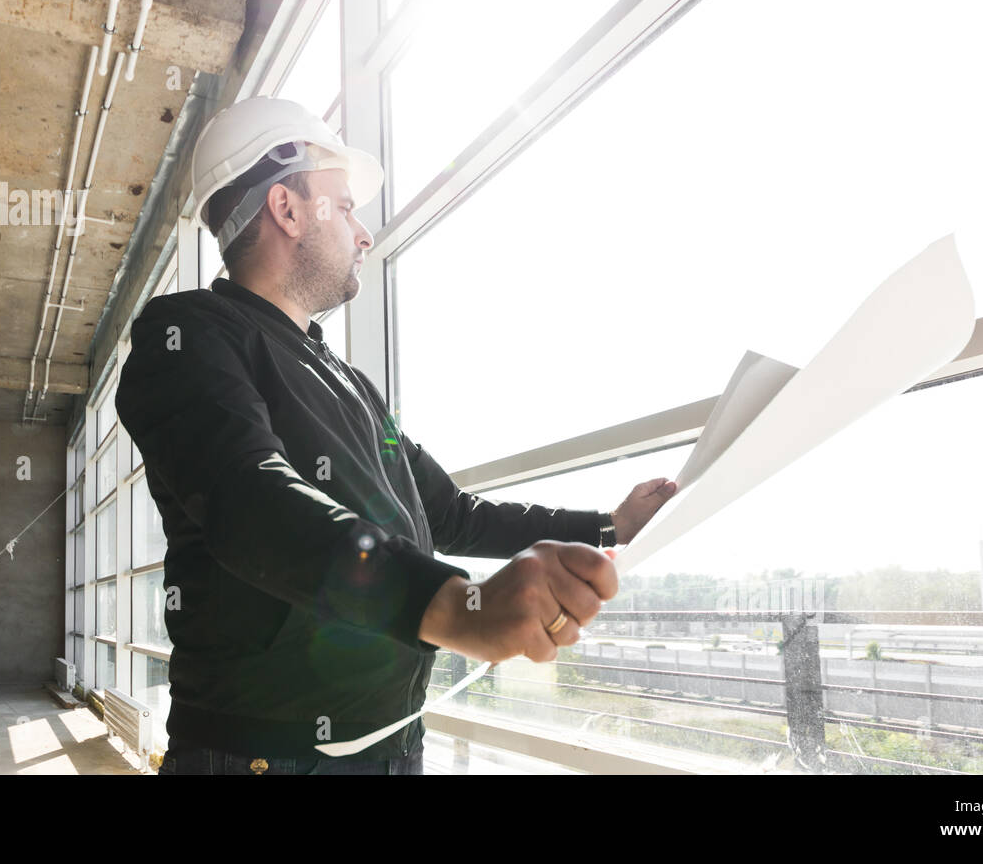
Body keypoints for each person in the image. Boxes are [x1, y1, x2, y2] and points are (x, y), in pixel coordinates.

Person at [115, 96, 678, 775]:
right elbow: (250, 499)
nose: (364, 234)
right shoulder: (188, 336)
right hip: (264, 756)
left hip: (394, 744)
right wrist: (458, 608)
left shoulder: (350, 384)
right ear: (287, 210)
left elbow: (448, 513)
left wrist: (609, 527)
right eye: (345, 206)